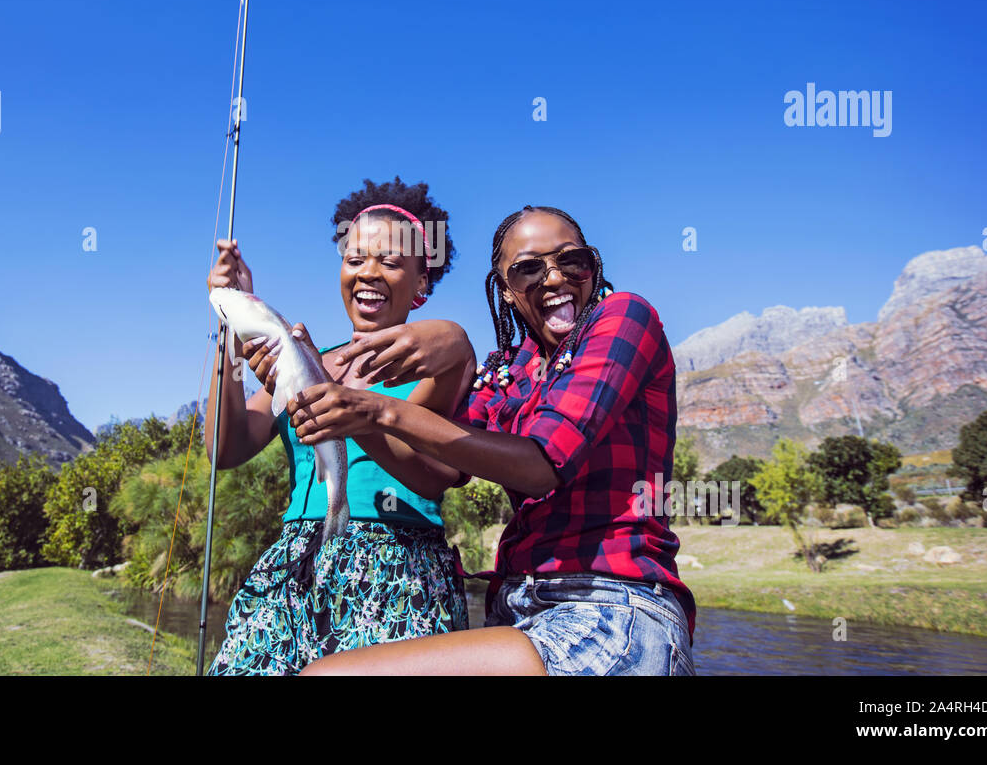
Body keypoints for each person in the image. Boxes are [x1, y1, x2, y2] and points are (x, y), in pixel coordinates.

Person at [284, 205, 697, 675]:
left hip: (611, 609)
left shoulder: (623, 316)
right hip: (517, 613)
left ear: (593, 266)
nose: (555, 278)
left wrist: (384, 406)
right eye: (528, 269)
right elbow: (432, 473)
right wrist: (362, 420)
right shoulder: (509, 370)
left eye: (571, 261)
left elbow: (541, 463)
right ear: (505, 290)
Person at [204, 178, 477, 675]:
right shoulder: (310, 361)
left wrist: (355, 413)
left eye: (390, 262)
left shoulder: (441, 359)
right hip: (294, 564)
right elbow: (227, 448)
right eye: (354, 260)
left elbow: (431, 474)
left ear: (422, 284)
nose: (368, 272)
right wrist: (231, 326)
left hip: (398, 568)